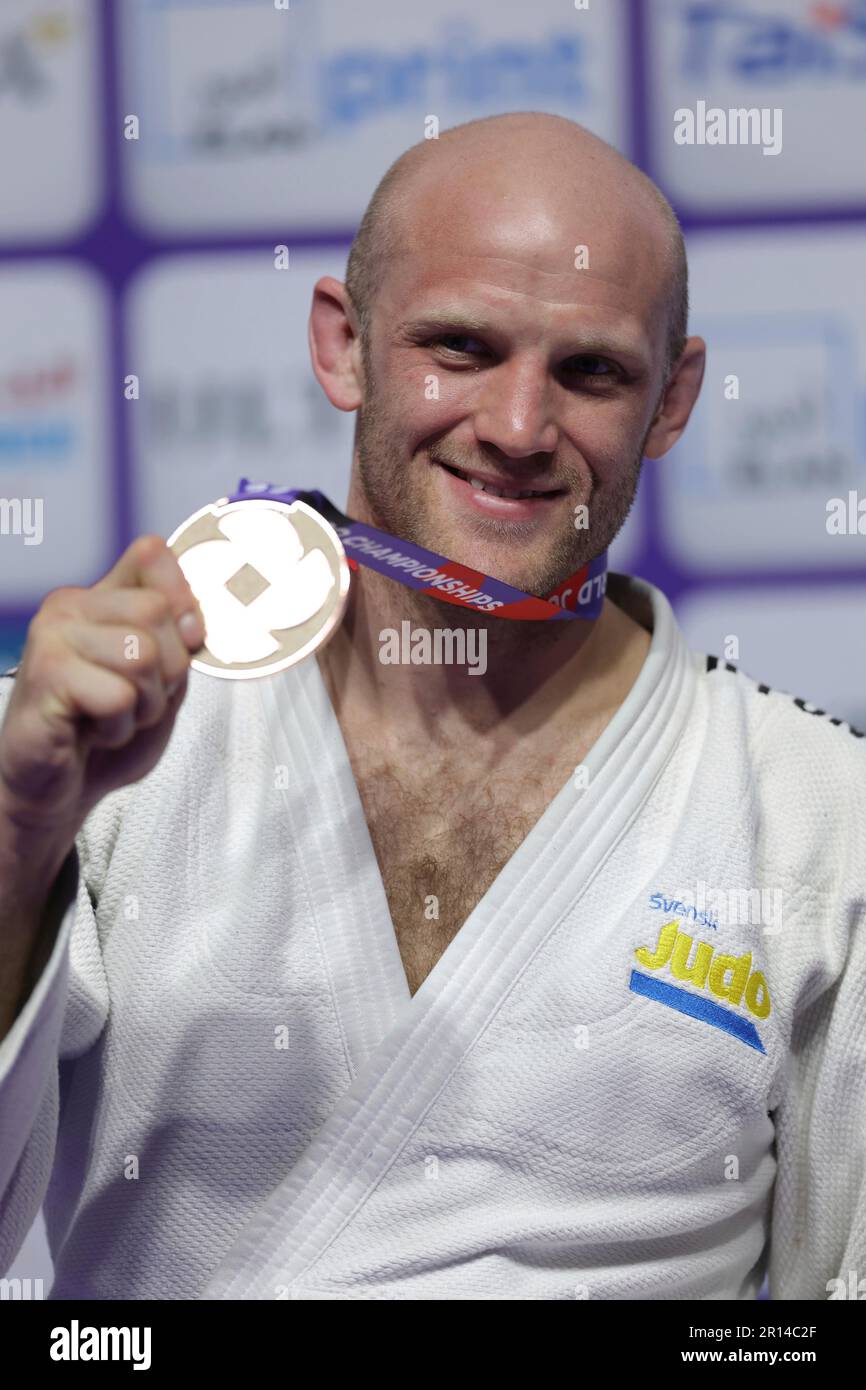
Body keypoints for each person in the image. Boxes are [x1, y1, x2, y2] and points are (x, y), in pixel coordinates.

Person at [0, 112, 863, 1301]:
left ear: (671, 402)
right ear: (343, 345)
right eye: (458, 347)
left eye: (589, 371)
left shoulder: (820, 822)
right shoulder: (92, 748)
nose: (516, 429)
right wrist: (18, 832)